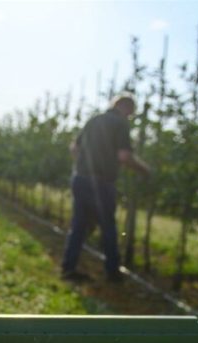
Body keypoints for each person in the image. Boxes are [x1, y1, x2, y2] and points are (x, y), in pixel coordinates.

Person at [60, 92, 151, 283]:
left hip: (81, 179)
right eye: (131, 113)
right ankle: (113, 272)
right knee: (108, 227)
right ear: (126, 108)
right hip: (102, 183)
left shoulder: (95, 120)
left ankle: (68, 268)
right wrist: (144, 170)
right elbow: (124, 157)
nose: (130, 117)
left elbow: (74, 148)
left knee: (78, 225)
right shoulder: (120, 124)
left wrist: (84, 166)